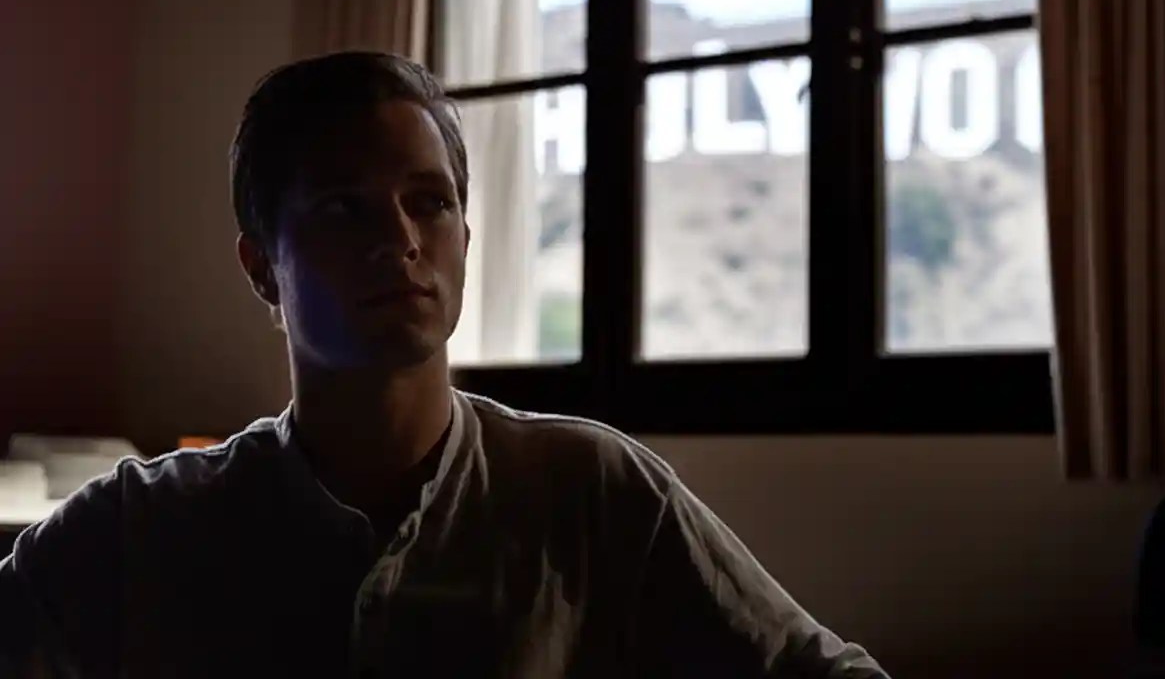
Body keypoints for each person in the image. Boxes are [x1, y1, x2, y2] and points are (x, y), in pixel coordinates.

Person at [0, 52, 890, 679]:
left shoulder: (592, 491)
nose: (399, 240)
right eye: (345, 209)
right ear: (262, 266)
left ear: (466, 236)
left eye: (429, 202)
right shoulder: (141, 527)